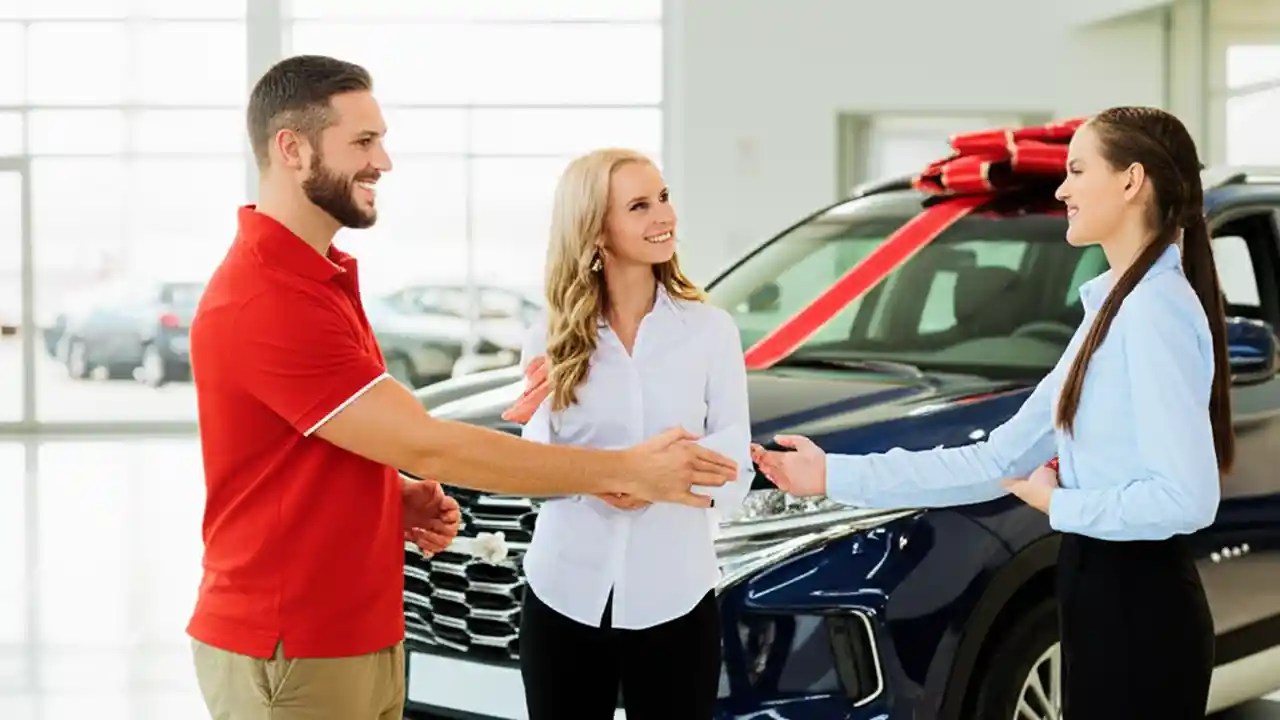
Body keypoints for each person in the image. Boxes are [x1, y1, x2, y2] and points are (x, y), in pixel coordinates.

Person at [187, 56, 738, 720]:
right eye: (363, 141)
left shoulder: (322, 281)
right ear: (292, 148)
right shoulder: (268, 297)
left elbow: (312, 451)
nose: (383, 161)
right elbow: (428, 445)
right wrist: (625, 470)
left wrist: (388, 499)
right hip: (290, 637)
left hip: (352, 630)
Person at [751, 106, 1230, 720]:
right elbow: (998, 459)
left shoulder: (1152, 313)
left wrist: (1059, 503)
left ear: (1131, 181)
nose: (1063, 189)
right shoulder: (1115, 307)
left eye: (1078, 170)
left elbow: (1187, 500)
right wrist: (832, 476)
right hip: (1103, 595)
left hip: (1138, 608)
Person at [504, 148, 754, 719]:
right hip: (562, 590)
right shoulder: (548, 335)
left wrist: (648, 480)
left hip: (676, 594)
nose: (663, 215)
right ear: (595, 229)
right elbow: (534, 468)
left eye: (662, 197)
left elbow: (732, 462)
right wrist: (616, 474)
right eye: (639, 206)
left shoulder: (710, 330)